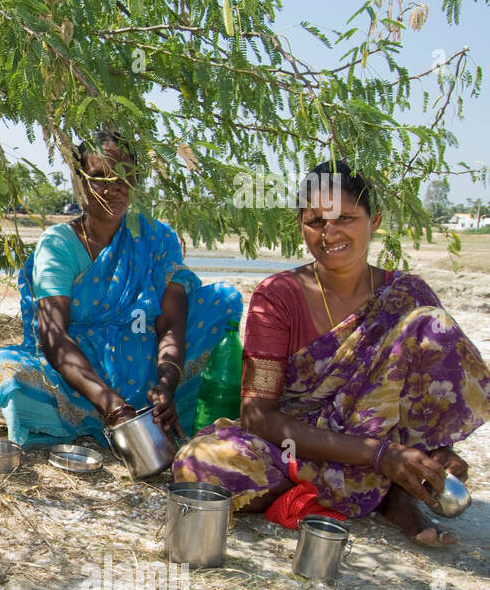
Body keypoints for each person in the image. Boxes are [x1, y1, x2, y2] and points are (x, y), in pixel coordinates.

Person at [173, 161, 490, 546]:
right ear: (300, 225)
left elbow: (427, 395)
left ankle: (393, 491)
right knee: (199, 463)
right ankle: (379, 490)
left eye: (345, 218)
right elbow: (258, 416)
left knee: (432, 323)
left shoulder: (407, 296)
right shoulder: (277, 296)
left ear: (374, 221)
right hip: (299, 445)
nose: (330, 233)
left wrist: (439, 454)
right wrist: (379, 457)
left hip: (382, 439)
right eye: (316, 221)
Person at [0, 131, 243, 446]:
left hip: (147, 360)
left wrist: (167, 383)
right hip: (77, 370)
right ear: (81, 182)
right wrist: (111, 404)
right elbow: (53, 337)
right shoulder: (59, 245)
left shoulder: (157, 238)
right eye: (99, 177)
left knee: (222, 303)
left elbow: (171, 322)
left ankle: (157, 408)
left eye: (124, 176)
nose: (112, 188)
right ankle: (84, 414)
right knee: (7, 370)